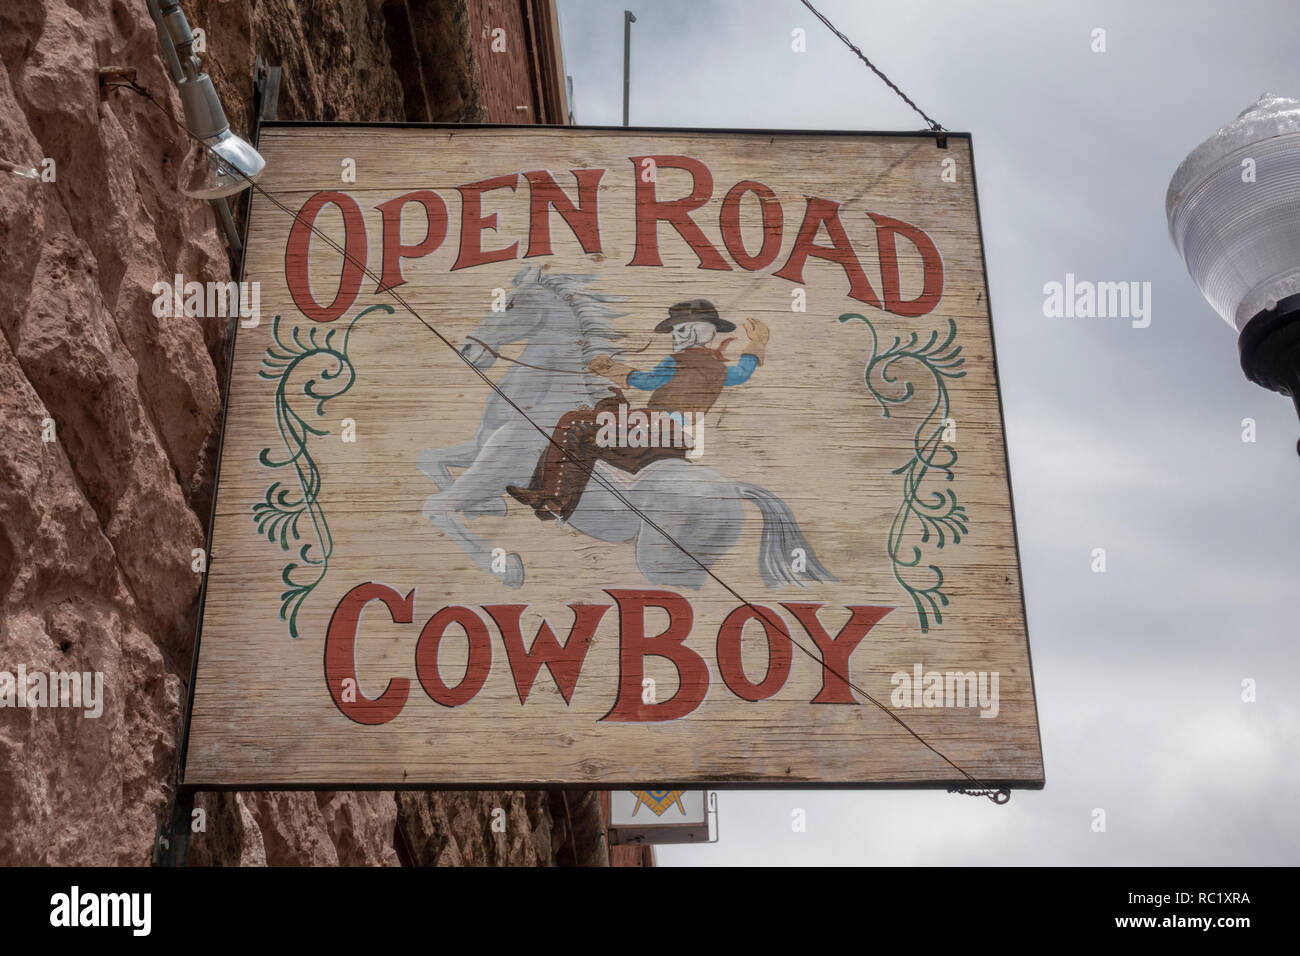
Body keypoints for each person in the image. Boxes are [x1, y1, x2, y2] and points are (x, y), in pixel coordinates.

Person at [506, 299, 770, 521]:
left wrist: (609, 368)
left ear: (690, 332)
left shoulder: (677, 360)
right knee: (600, 414)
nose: (674, 338)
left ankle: (554, 501)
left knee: (573, 421)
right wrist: (757, 344)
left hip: (654, 424)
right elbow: (743, 373)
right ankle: (542, 493)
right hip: (677, 432)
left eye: (677, 331)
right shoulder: (721, 369)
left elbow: (646, 381)